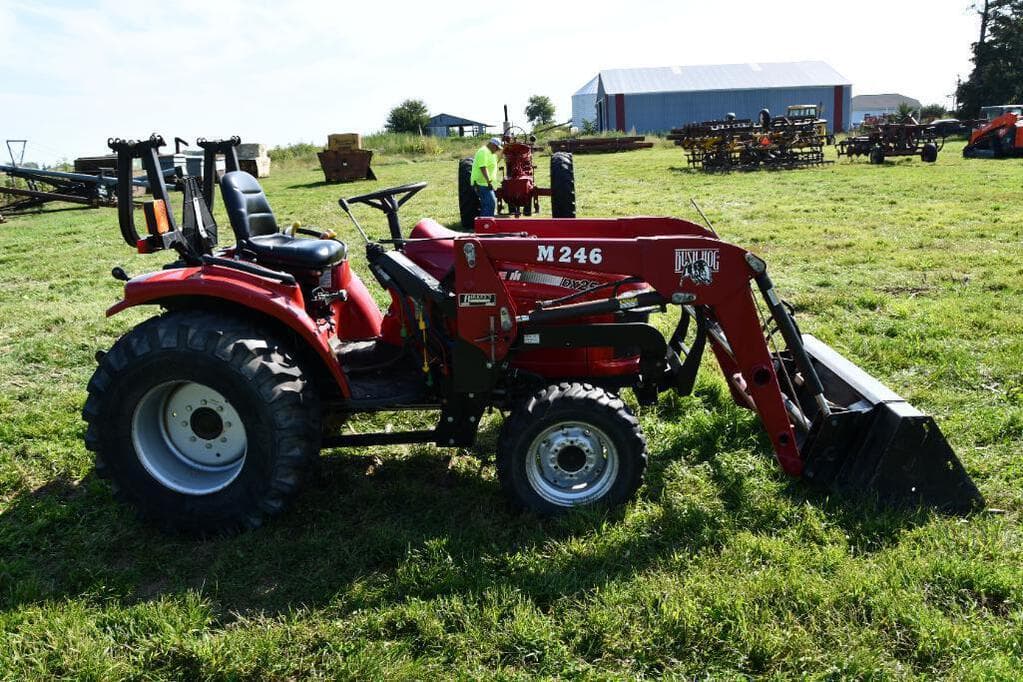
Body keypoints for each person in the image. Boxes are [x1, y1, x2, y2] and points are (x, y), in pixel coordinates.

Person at [470, 137, 502, 217]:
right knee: (489, 204)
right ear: (492, 145)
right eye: (497, 148)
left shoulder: (491, 153)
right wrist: (489, 181)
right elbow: (483, 167)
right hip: (481, 183)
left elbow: (492, 165)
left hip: (486, 183)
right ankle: (485, 226)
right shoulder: (483, 151)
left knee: (488, 204)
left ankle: (486, 225)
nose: (497, 150)